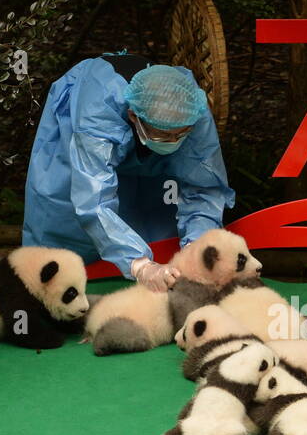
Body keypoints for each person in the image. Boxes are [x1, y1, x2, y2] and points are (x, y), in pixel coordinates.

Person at [23, 54, 235, 292]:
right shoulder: (96, 113)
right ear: (133, 116)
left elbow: (205, 186)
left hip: (153, 134)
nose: (174, 142)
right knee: (67, 219)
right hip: (88, 120)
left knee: (157, 219)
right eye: (164, 136)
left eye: (181, 135)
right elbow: (93, 200)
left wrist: (198, 249)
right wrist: (141, 266)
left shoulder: (191, 109)